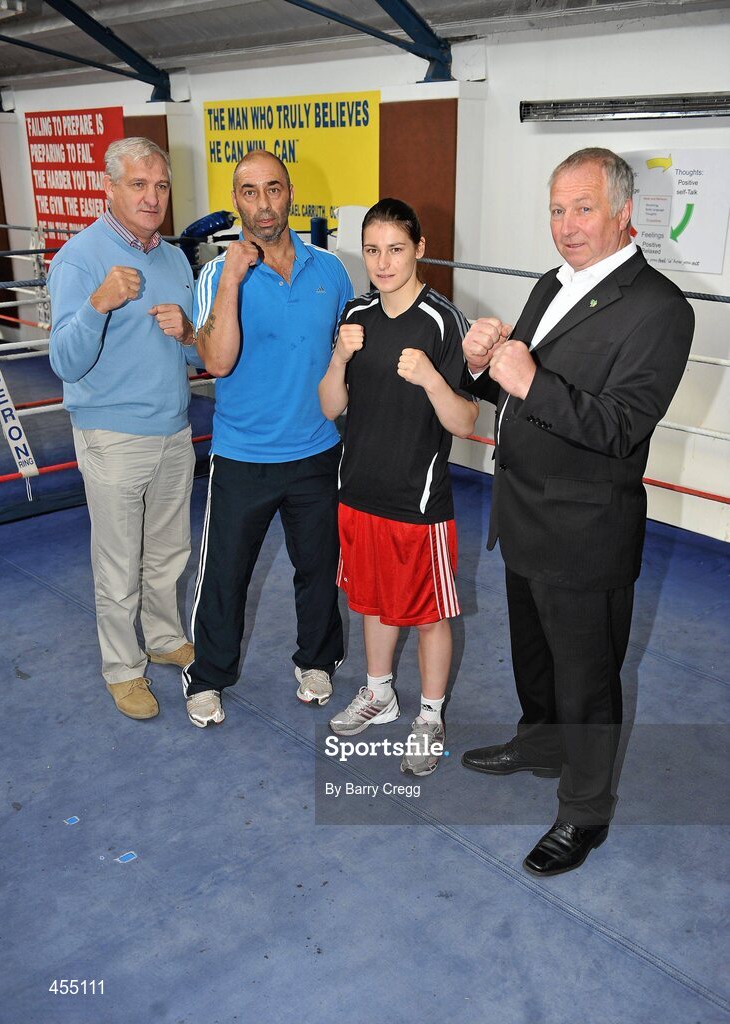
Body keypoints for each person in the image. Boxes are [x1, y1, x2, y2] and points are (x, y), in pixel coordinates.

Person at [460, 148, 694, 874]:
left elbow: (622, 427)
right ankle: (538, 744)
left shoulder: (660, 308)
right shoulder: (550, 283)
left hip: (586, 528)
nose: (565, 225)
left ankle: (584, 812)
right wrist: (479, 365)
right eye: (557, 209)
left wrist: (525, 378)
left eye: (582, 207)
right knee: (534, 658)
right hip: (523, 511)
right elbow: (516, 395)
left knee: (587, 678)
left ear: (623, 212)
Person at [183, 150, 353, 728]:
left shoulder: (330, 271)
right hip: (243, 455)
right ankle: (207, 677)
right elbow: (218, 361)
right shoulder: (215, 274)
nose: (262, 204)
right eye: (249, 192)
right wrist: (231, 276)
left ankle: (316, 660)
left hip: (315, 449)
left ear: (290, 194)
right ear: (237, 201)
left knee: (318, 567)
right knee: (225, 575)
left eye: (273, 189)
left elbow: (344, 358)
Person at [319, 198, 478, 776]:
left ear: (420, 250)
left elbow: (465, 421)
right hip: (358, 491)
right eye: (372, 250)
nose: (383, 263)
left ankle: (431, 712)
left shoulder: (442, 322)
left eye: (396, 249)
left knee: (430, 612)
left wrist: (433, 377)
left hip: (419, 501)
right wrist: (338, 357)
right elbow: (329, 406)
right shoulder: (356, 315)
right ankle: (379, 693)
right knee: (371, 600)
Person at [48, 137, 200, 720]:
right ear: (108, 188)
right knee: (117, 563)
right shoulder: (80, 258)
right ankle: (123, 669)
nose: (152, 196)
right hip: (112, 436)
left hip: (172, 427)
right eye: (138, 184)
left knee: (167, 553)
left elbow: (191, 356)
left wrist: (189, 332)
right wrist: (97, 304)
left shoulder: (171, 258)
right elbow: (64, 360)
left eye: (160, 185)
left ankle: (162, 640)